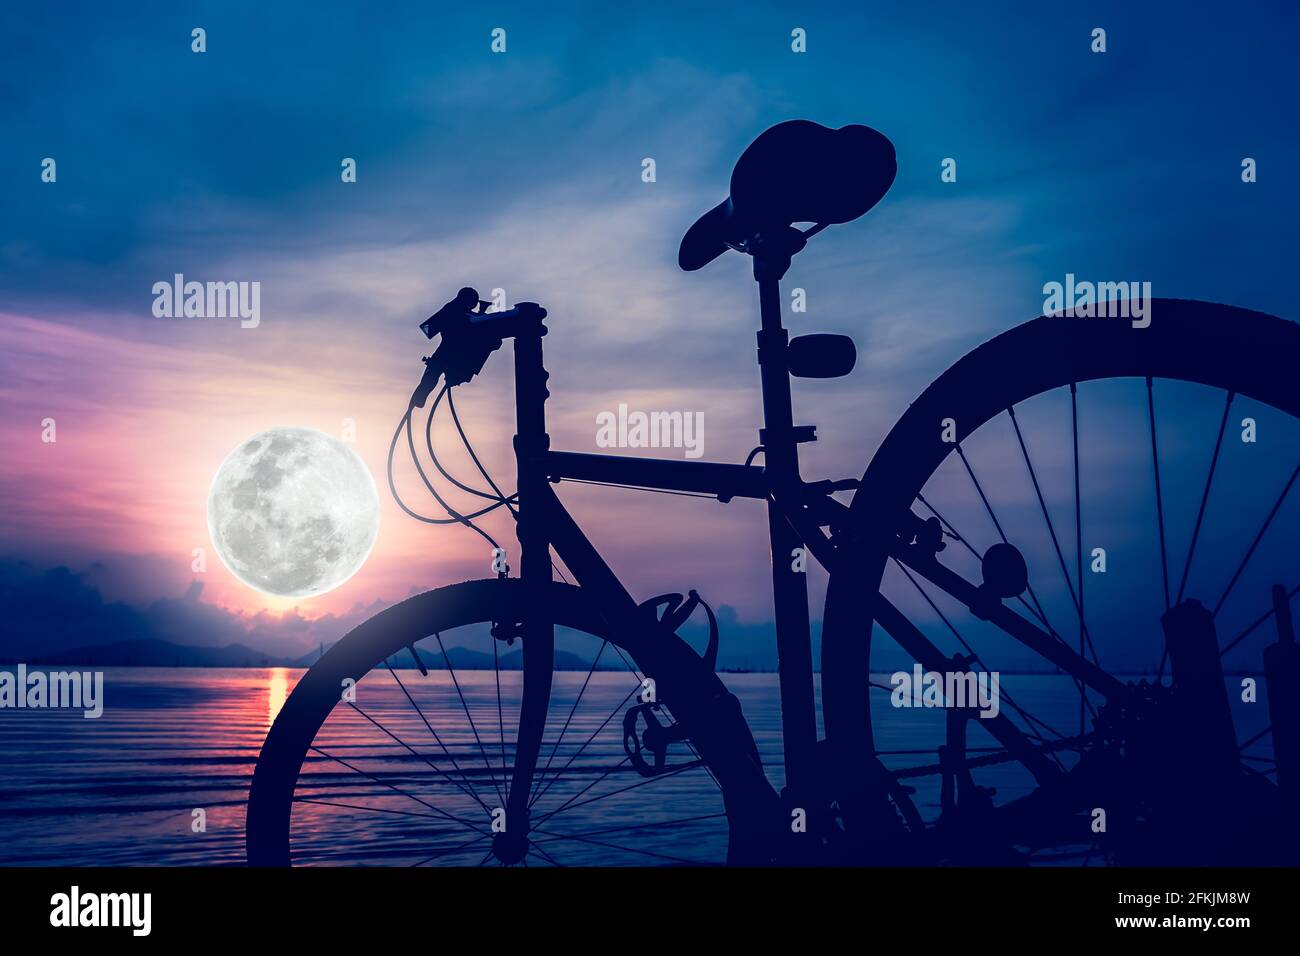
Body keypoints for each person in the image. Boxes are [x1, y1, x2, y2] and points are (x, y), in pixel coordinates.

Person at [409, 287, 503, 408]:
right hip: (448, 354)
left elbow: (493, 341)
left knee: (431, 375)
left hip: (450, 355)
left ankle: (419, 398)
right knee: (430, 377)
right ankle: (419, 398)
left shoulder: (455, 310)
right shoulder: (454, 310)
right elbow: (429, 328)